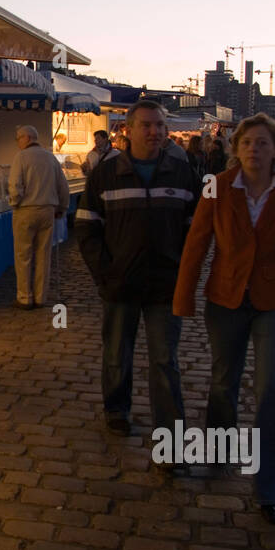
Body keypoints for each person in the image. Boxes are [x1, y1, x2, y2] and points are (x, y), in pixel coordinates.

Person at [172, 112, 275, 524]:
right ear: (234, 148)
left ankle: (270, 491)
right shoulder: (217, 188)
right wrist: (183, 297)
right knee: (224, 380)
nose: (253, 150)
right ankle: (221, 449)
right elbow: (197, 244)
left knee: (271, 391)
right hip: (225, 297)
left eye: (262, 143)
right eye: (246, 143)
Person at [76, 100, 199, 443]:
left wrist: (184, 272)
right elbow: (86, 228)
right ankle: (117, 409)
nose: (154, 131)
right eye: (146, 125)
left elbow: (195, 230)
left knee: (164, 360)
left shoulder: (182, 172)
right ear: (127, 131)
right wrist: (106, 274)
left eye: (159, 125)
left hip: (165, 284)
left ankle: (170, 430)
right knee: (117, 352)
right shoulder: (106, 174)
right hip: (121, 283)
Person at [9, 125, 70, 309]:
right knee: (44, 255)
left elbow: (15, 185)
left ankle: (24, 297)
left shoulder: (21, 157)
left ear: (26, 138)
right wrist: (62, 207)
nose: (18, 142)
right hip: (47, 210)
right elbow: (63, 185)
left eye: (18, 138)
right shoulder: (50, 157)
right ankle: (41, 296)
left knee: (23, 255)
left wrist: (14, 201)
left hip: (26, 210)